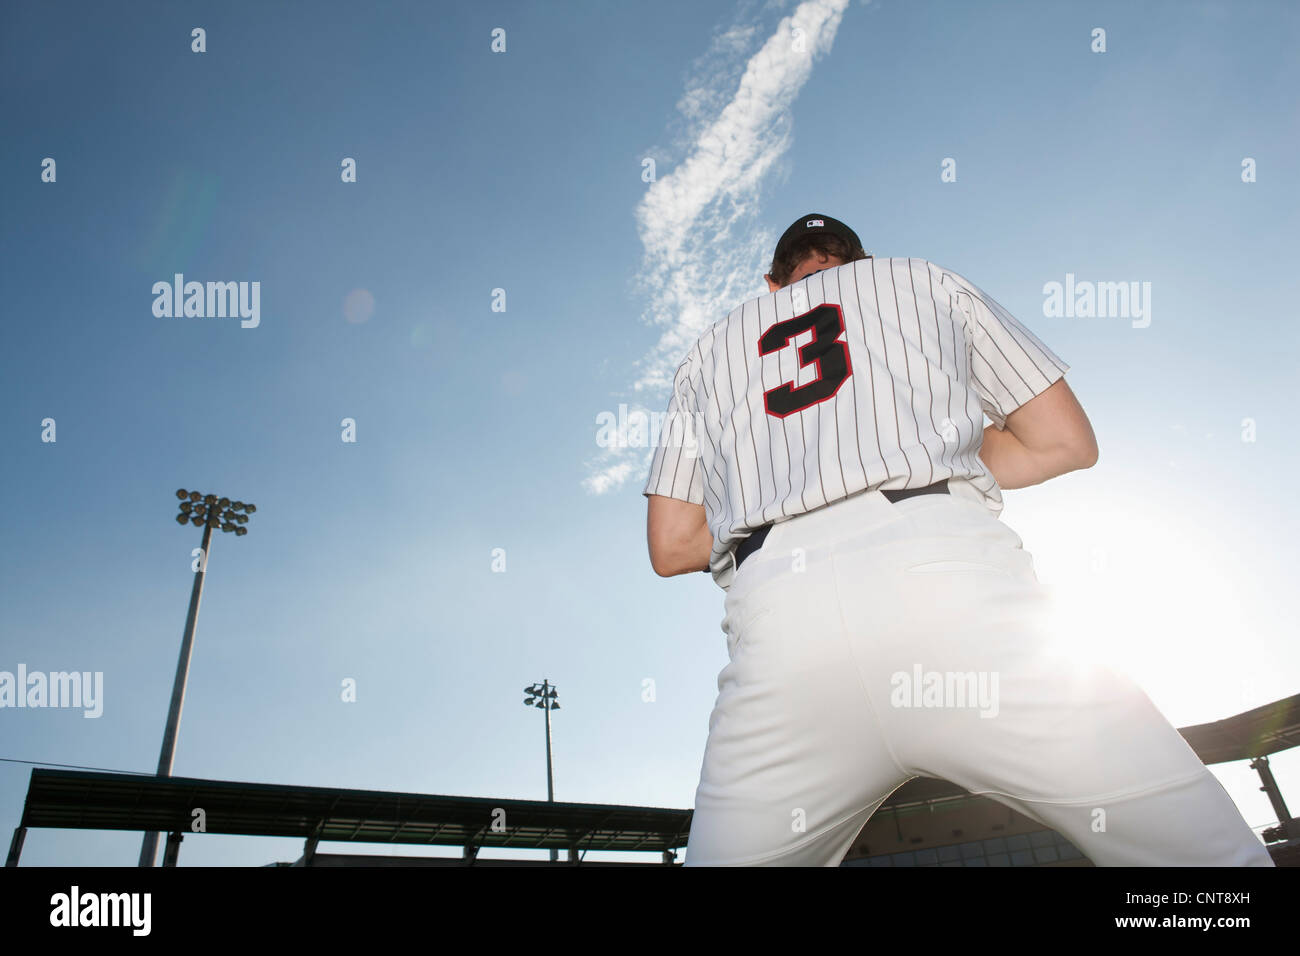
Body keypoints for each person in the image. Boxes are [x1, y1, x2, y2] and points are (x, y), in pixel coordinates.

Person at [642, 213, 1275, 867]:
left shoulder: (710, 348)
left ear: (773, 284)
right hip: (947, 579)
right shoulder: (919, 279)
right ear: (861, 262)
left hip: (780, 620)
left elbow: (673, 546)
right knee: (1209, 866)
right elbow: (1064, 442)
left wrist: (787, 493)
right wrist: (933, 455)